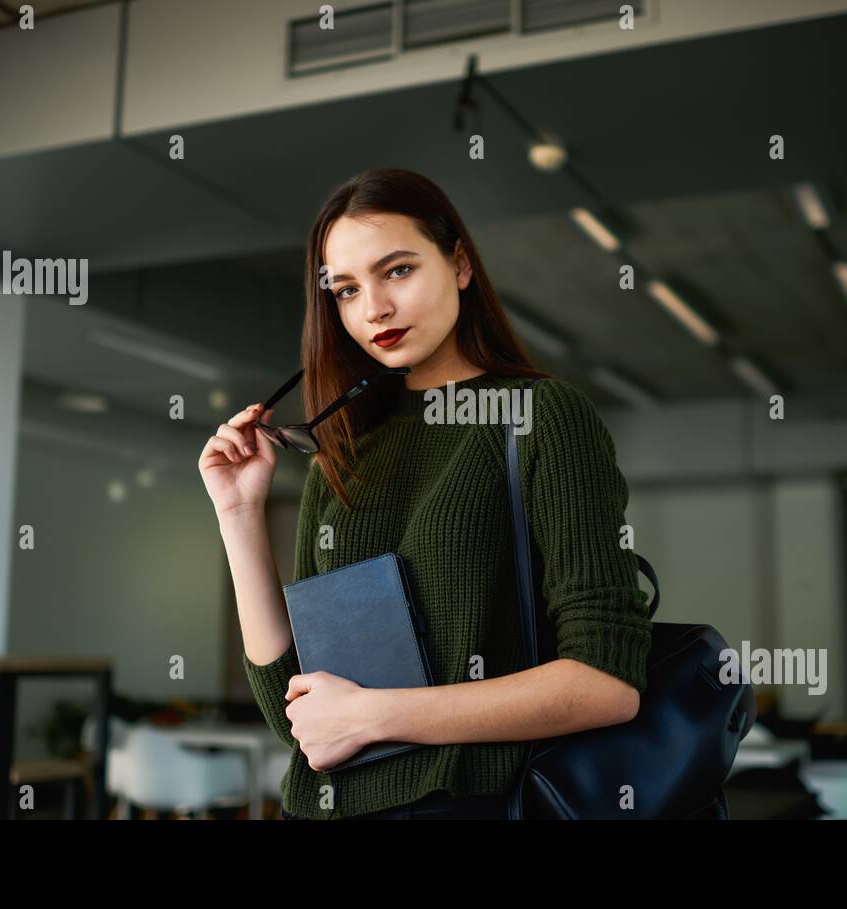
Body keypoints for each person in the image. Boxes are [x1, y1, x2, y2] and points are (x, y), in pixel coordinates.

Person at [198, 167, 653, 820]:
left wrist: (375, 715)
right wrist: (238, 513)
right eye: (347, 289)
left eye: (398, 271)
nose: (373, 308)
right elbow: (293, 714)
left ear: (460, 264)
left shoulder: (540, 415)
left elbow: (606, 683)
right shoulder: (345, 447)